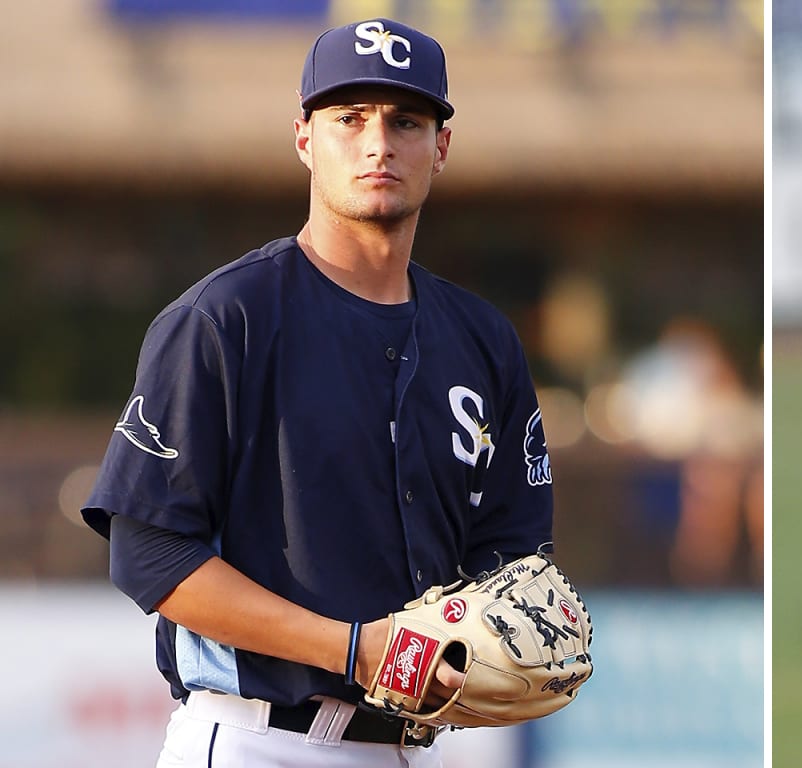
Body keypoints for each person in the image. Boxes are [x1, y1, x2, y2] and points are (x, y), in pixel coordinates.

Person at [81, 18, 554, 766]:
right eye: (349, 118)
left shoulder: (484, 340)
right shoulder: (225, 318)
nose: (377, 143)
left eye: (405, 120)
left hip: (408, 747)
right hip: (252, 737)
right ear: (305, 137)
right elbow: (149, 555)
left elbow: (513, 551)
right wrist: (356, 650)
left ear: (441, 147)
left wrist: (494, 636)